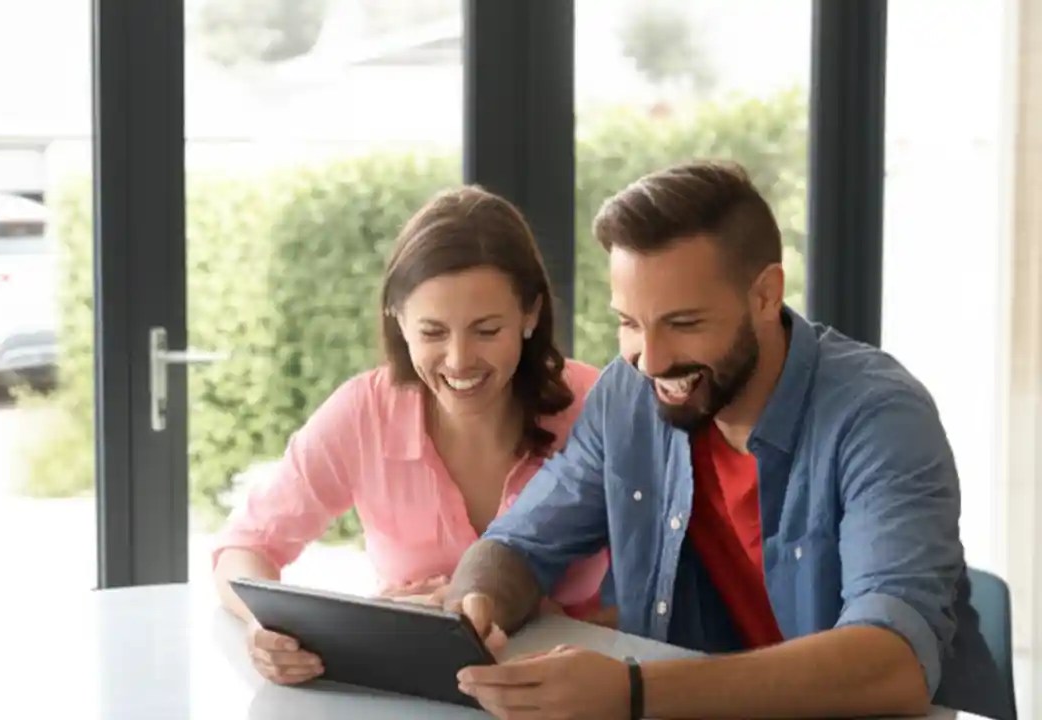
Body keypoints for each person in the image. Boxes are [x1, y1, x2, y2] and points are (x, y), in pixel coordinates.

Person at [443, 161, 1009, 720]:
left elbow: (896, 659)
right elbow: (520, 543)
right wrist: (477, 605)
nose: (652, 360)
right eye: (630, 324)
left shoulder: (880, 418)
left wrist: (635, 693)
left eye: (684, 323)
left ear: (765, 295)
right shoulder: (628, 395)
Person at [211, 185, 615, 687]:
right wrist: (264, 628)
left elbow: (670, 586)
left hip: (573, 694)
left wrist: (546, 616)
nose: (460, 359)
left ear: (530, 315)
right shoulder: (364, 414)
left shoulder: (597, 407)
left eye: (487, 330)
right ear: (399, 320)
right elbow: (245, 546)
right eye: (433, 332)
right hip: (409, 693)